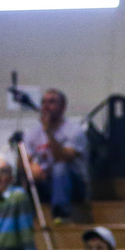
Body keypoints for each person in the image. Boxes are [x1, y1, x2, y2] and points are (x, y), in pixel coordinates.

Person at [26, 88, 90, 220]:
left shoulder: (74, 130)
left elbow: (61, 157)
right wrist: (30, 167)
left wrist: (48, 132)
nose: (46, 106)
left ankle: (61, 213)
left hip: (74, 186)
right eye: (44, 102)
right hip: (46, 182)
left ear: (63, 107)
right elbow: (22, 162)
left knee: (60, 167)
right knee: (19, 174)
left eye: (52, 102)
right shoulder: (32, 132)